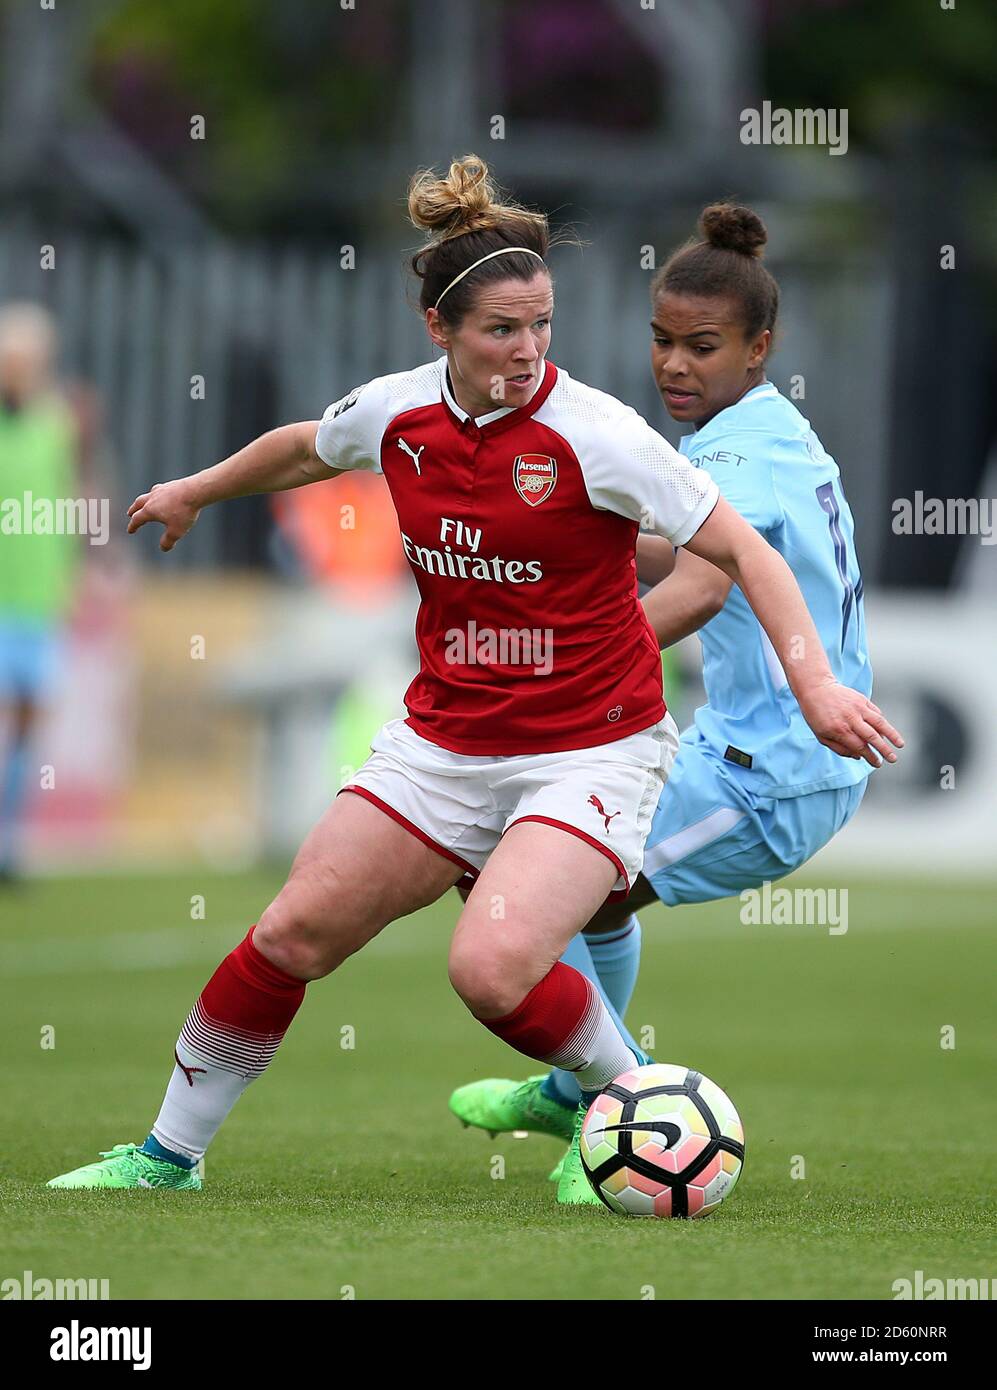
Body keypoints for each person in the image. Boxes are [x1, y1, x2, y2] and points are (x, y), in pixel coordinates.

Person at [46, 164, 900, 1194]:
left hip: (593, 747)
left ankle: (633, 1112)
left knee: (490, 968)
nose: (528, 349)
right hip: (443, 744)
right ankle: (164, 1158)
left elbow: (745, 560)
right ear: (436, 327)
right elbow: (306, 449)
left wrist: (814, 692)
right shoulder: (400, 410)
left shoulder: (601, 434)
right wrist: (195, 488)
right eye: (501, 328)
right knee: (289, 932)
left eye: (541, 324)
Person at [449, 202, 888, 1203]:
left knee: (547, 886)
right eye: (660, 341)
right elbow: (674, 544)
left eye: (702, 346)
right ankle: (581, 1087)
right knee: (578, 876)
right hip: (748, 754)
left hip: (773, 774)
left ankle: (608, 1101)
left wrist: (564, 664)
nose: (674, 365)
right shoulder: (761, 433)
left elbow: (701, 582)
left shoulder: (741, 453)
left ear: (758, 348)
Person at [0, 304, 80, 883]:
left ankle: (9, 841)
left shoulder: (57, 424)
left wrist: (84, 570)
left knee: (28, 728)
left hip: (39, 603)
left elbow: (69, 500)